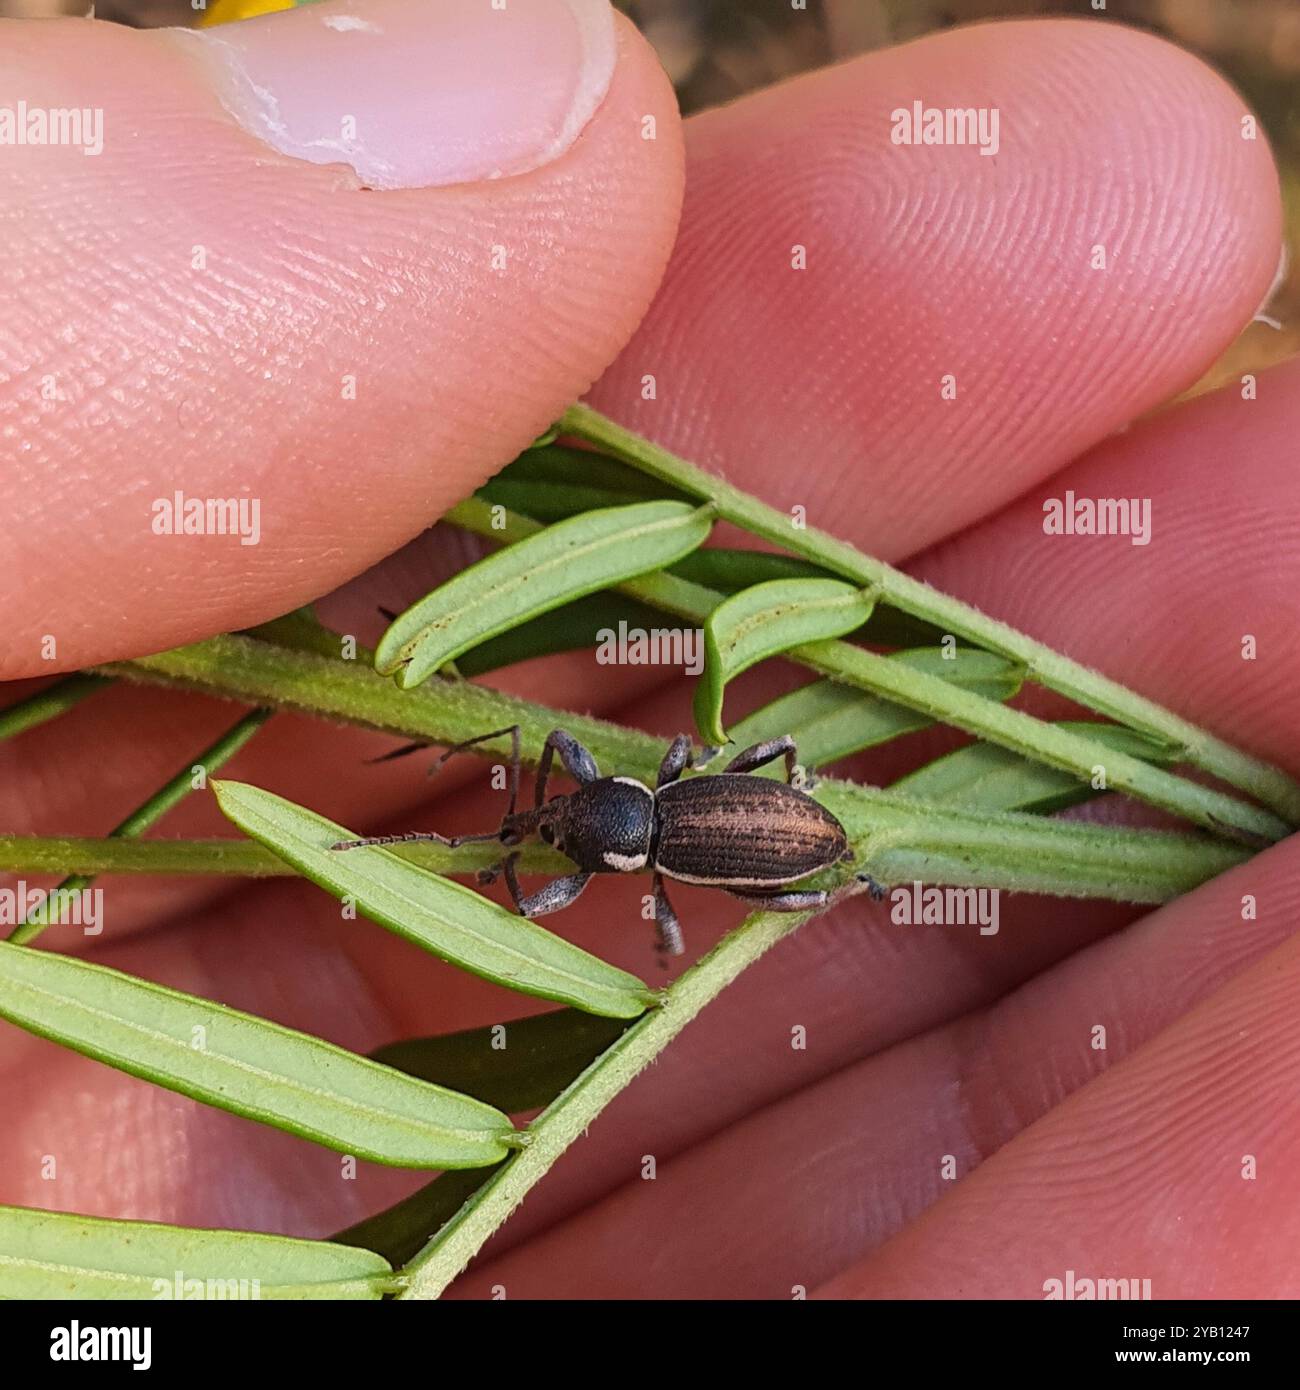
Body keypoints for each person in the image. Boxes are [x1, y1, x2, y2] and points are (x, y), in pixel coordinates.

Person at [1, 0, 1296, 1299]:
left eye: (571, 820)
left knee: (796, 842)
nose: (565, 814)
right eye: (576, 824)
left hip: (766, 824)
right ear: (621, 818)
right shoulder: (652, 818)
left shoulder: (658, 827)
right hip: (762, 817)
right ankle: (830, 864)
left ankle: (831, 865)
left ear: (642, 812)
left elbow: (645, 868)